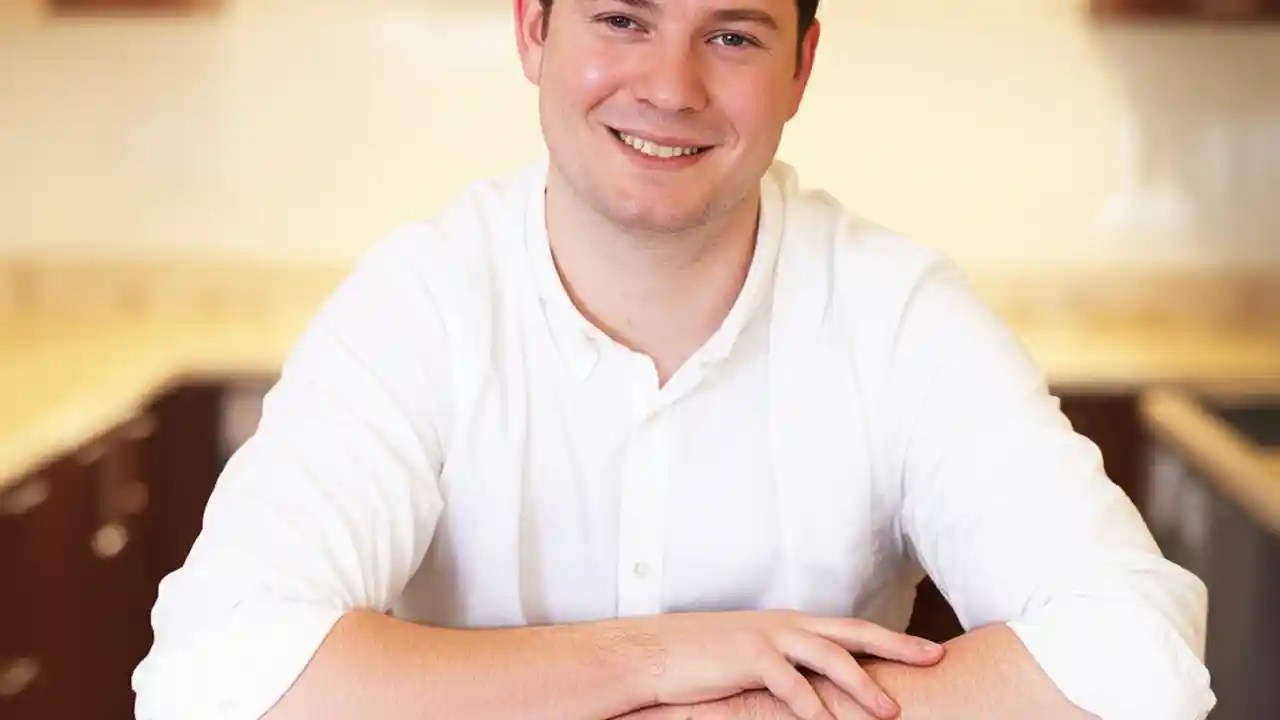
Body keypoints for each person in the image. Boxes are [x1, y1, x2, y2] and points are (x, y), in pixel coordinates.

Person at [132, 1, 1216, 718]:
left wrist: (724, 713)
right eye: (622, 19)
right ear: (531, 30)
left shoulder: (896, 315)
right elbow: (209, 676)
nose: (671, 85)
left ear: (801, 68)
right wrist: (656, 657)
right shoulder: (419, 304)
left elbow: (1139, 658)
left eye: (732, 35)